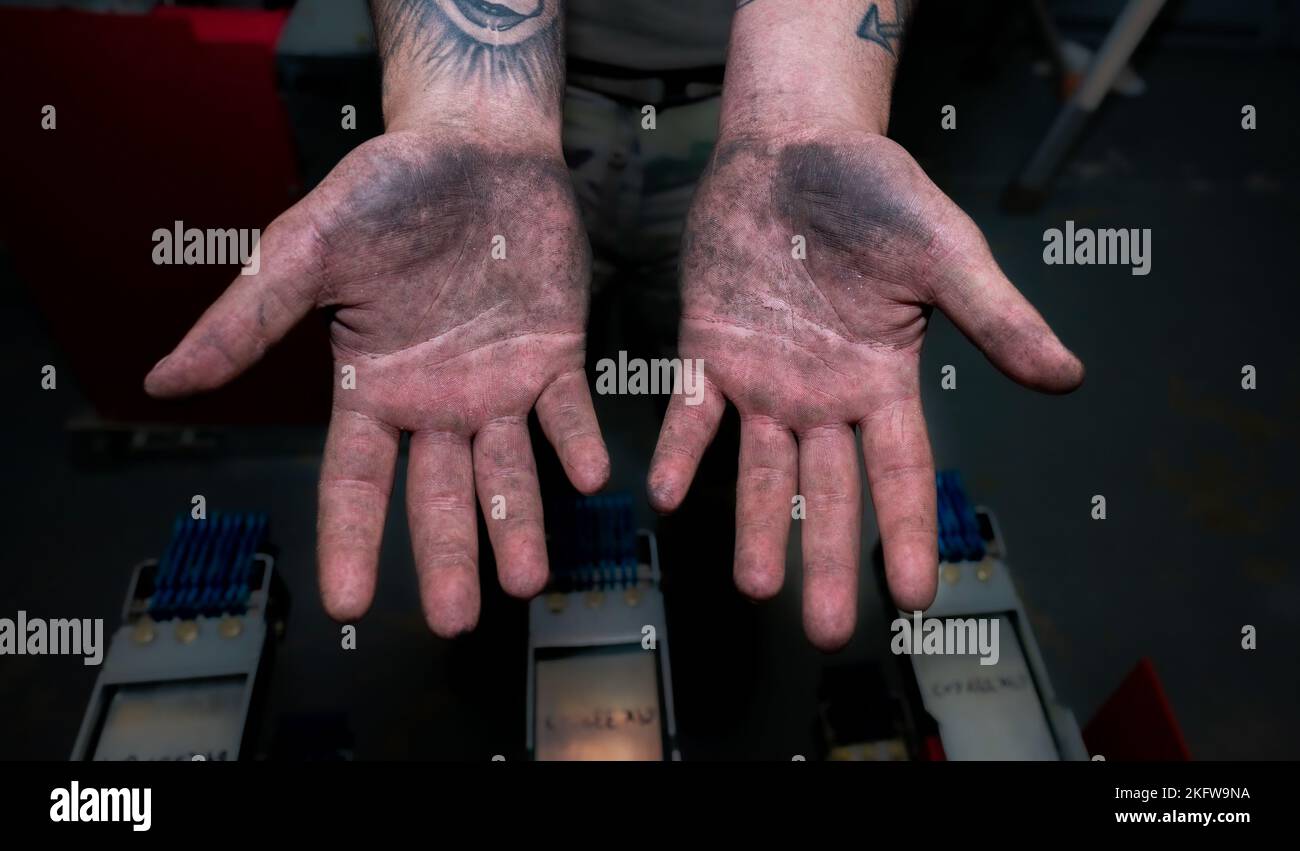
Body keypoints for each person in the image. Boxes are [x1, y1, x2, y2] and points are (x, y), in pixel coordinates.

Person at [144, 0, 1083, 651]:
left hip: (749, 114)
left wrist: (803, 108)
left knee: (748, 401)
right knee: (510, 408)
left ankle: (711, 598)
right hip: (538, 108)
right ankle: (549, 584)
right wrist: (472, 116)